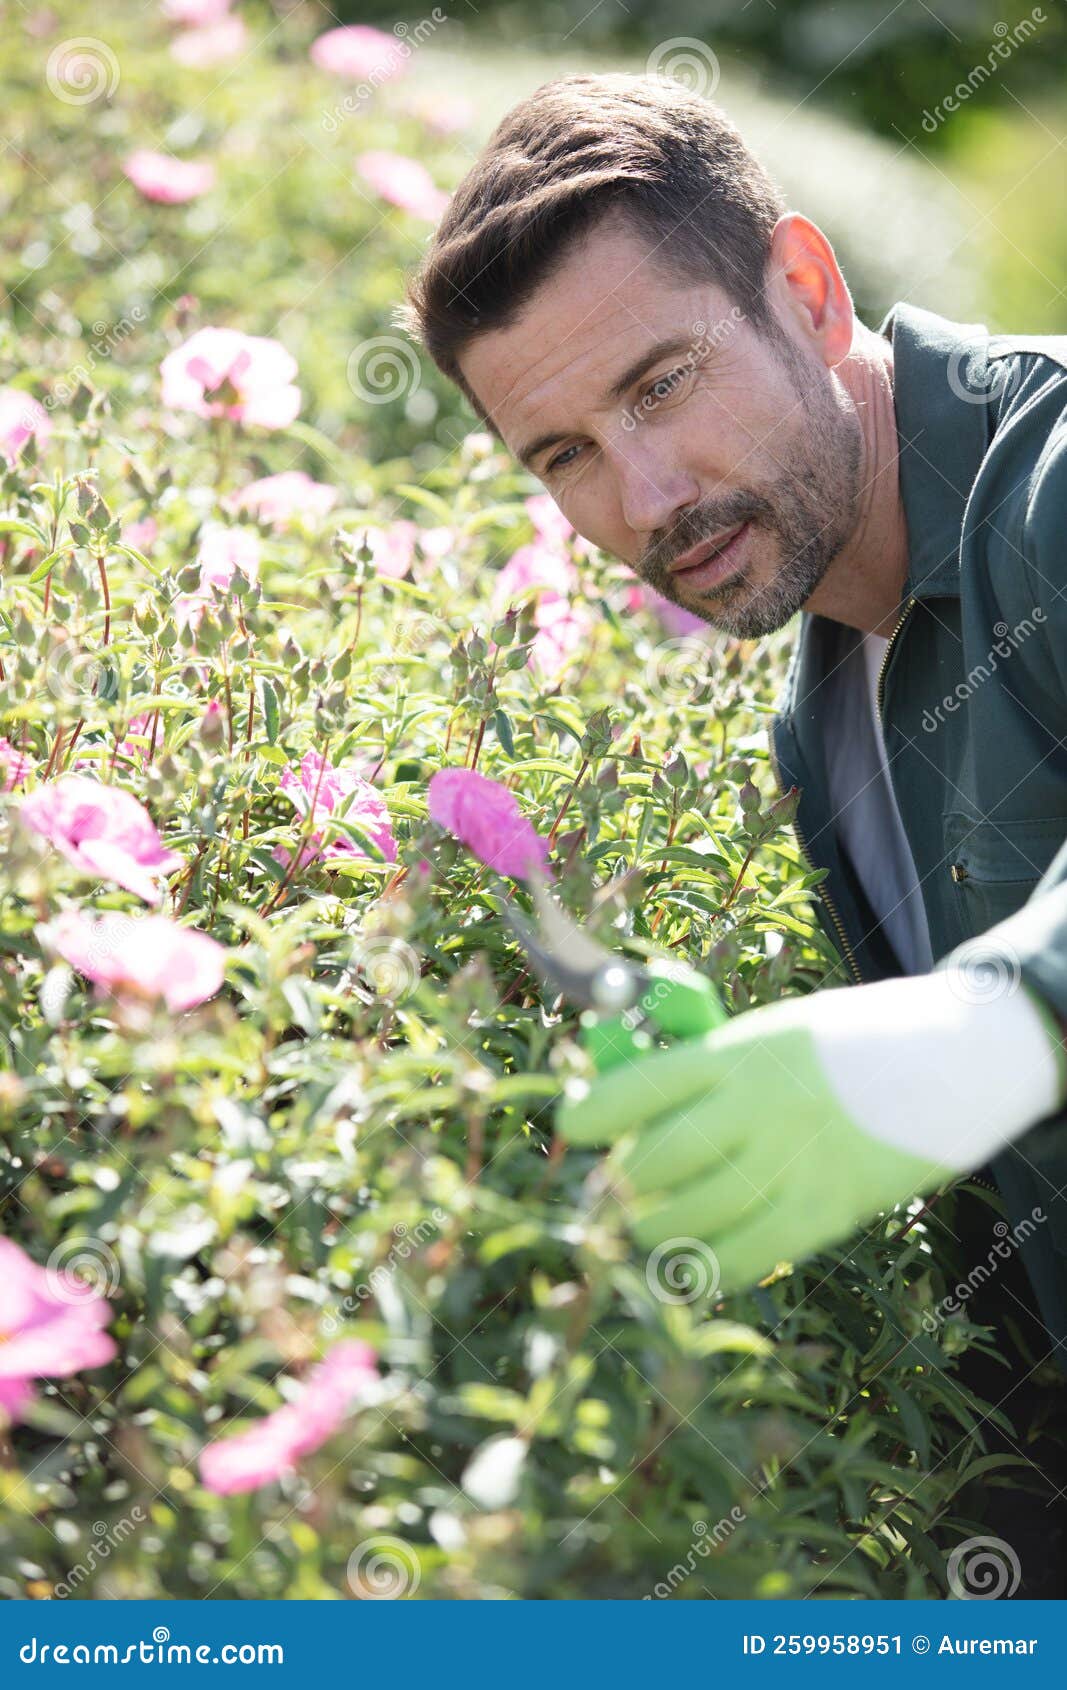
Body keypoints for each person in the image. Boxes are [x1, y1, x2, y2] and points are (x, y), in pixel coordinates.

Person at [402, 73, 1067, 1587]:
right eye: (563, 453)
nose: (643, 495)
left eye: (660, 384)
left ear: (810, 290)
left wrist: (1006, 1017)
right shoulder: (822, 706)